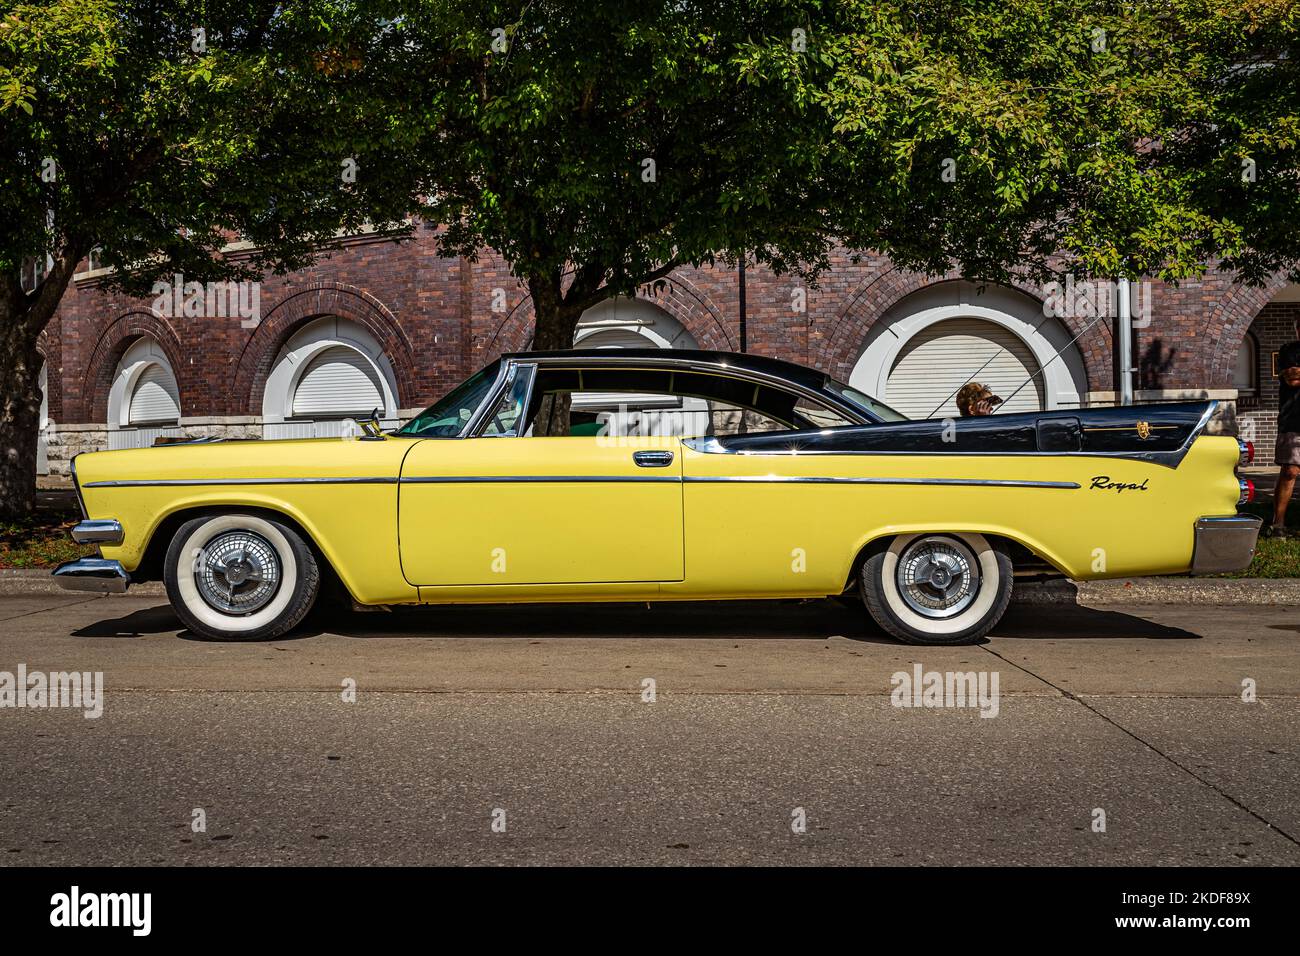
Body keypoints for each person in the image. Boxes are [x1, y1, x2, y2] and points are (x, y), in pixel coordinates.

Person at [1269, 339, 1300, 538]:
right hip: (1293, 422)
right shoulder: (1290, 350)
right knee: (1290, 472)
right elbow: (1292, 377)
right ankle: (1277, 525)